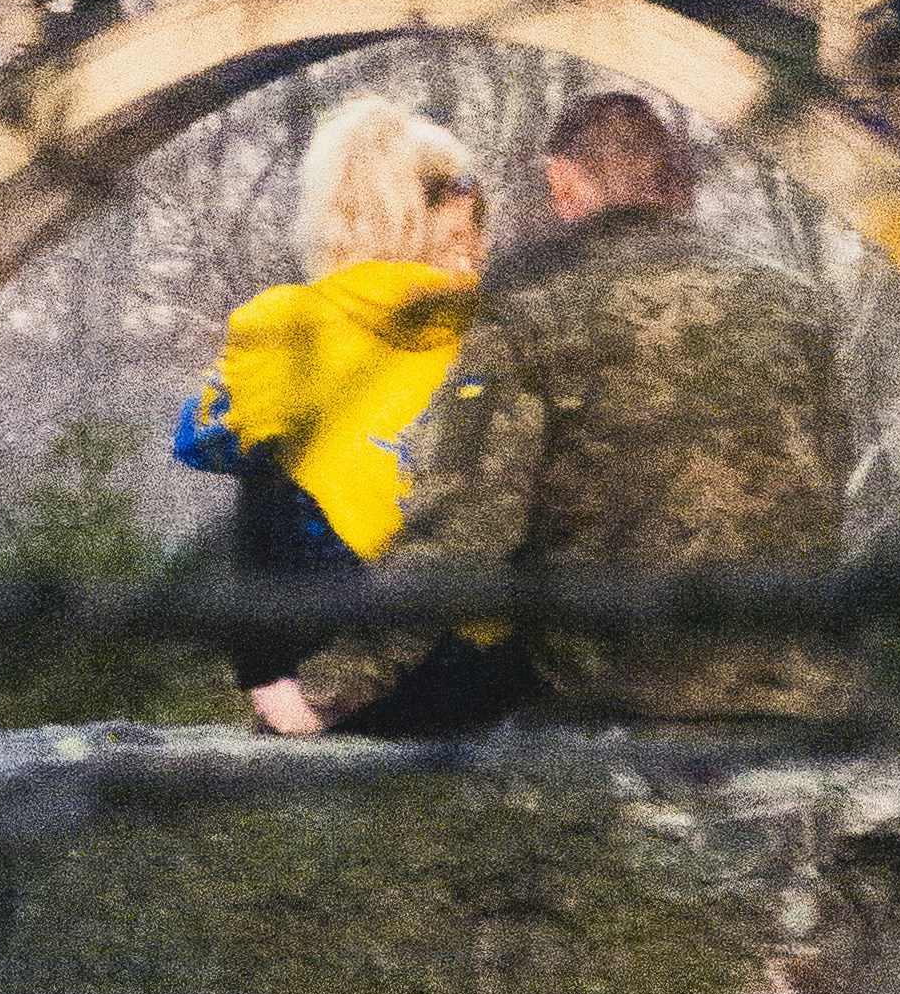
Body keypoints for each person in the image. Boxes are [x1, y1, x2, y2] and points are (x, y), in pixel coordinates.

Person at [252, 85, 858, 736]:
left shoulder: (529, 311)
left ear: (563, 183)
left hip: (616, 708)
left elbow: (460, 534)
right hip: (800, 701)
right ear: (675, 184)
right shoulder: (795, 305)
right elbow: (819, 491)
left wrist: (325, 692)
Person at [175, 93, 492, 715]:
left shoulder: (292, 321)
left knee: (270, 464)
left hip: (333, 666)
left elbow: (203, 439)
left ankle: (270, 685)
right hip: (482, 662)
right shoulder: (497, 332)